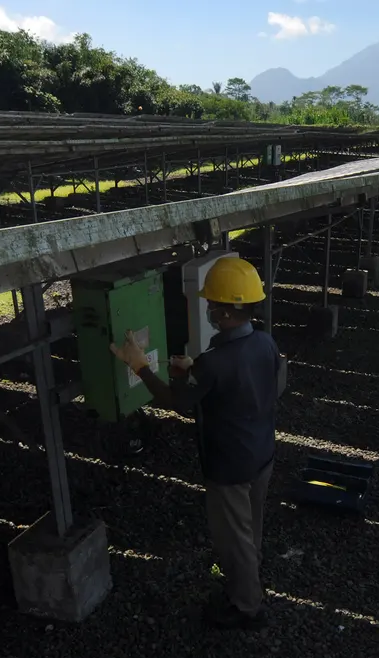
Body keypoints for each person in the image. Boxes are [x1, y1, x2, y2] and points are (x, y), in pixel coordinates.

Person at [109, 256, 285, 631]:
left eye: (211, 305)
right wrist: (197, 373)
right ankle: (248, 576)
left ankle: (246, 607)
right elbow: (263, 383)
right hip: (262, 455)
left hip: (229, 465)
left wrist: (140, 365)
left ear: (223, 314)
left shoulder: (214, 363)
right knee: (250, 527)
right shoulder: (265, 344)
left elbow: (176, 403)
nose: (207, 310)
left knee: (233, 538)